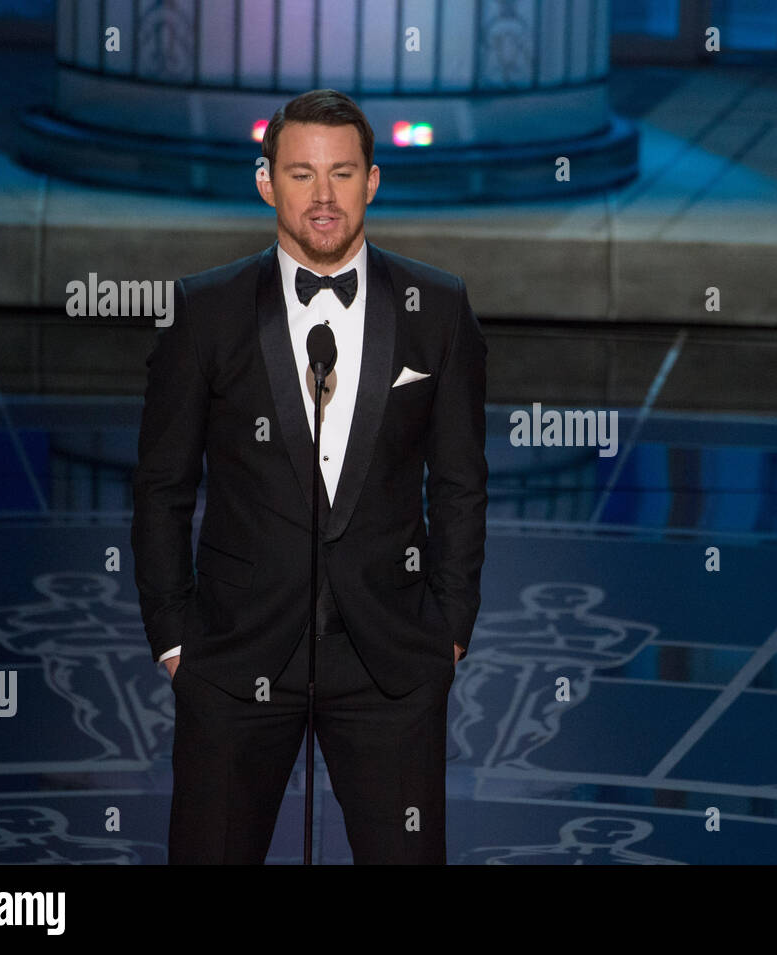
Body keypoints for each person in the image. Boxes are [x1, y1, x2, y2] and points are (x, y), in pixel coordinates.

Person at [130, 88, 488, 864]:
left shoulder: (439, 308)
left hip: (390, 661)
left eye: (341, 173)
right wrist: (174, 642)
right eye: (300, 173)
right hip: (232, 656)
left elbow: (460, 482)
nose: (323, 196)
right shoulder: (205, 311)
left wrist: (449, 629)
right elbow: (162, 487)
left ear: (372, 181)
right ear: (266, 183)